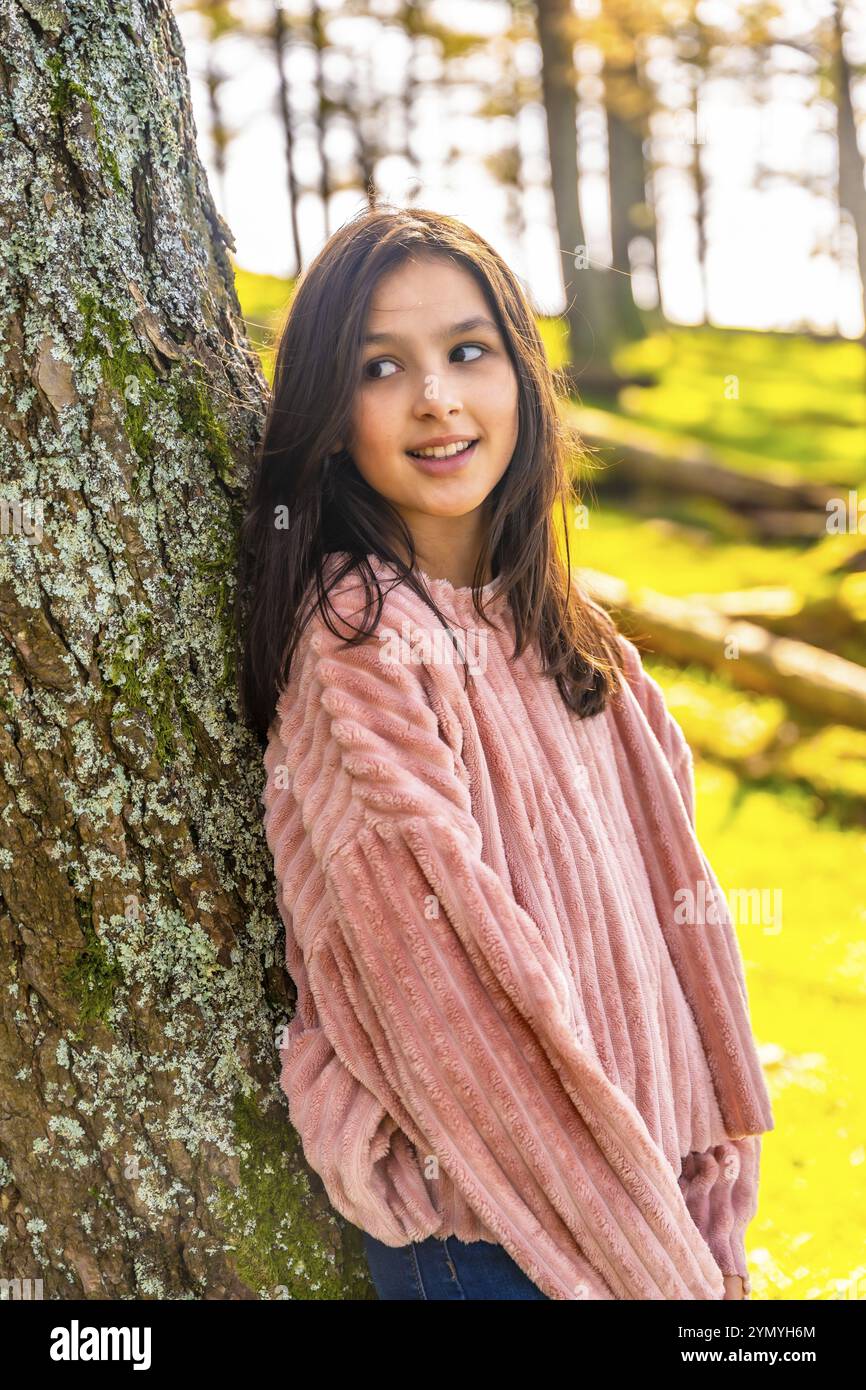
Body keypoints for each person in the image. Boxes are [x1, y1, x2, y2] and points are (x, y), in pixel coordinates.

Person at [235, 203, 775, 1301]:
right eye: (381, 366)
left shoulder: (583, 646)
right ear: (331, 417)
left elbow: (686, 953)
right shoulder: (361, 647)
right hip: (494, 1236)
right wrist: (651, 1270)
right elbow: (449, 1008)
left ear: (522, 380)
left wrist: (707, 1220)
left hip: (646, 1217)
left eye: (466, 351)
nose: (435, 397)